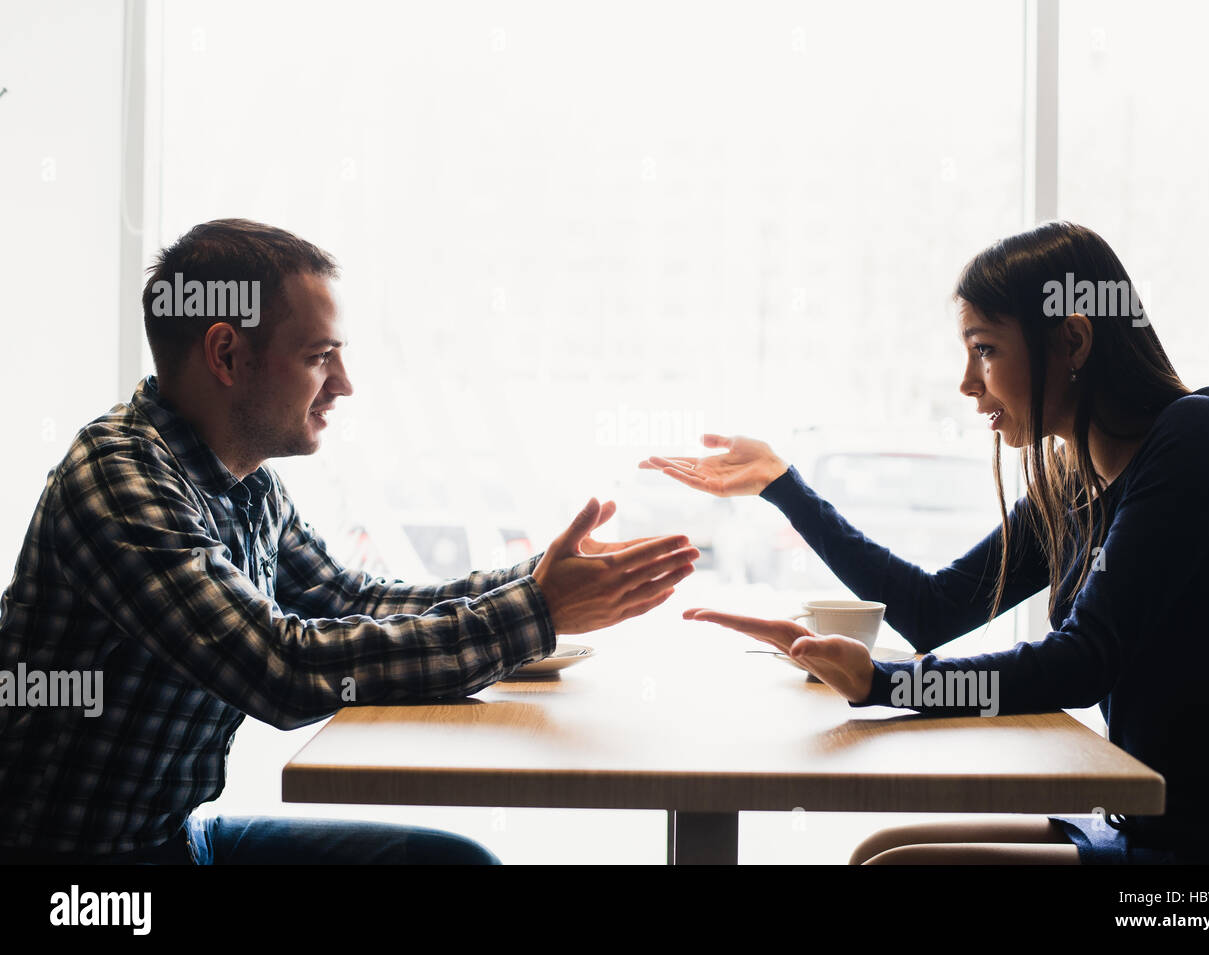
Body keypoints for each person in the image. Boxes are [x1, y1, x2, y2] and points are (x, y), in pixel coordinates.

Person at [0, 218, 699, 865]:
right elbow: (282, 669)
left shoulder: (242, 482)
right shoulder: (117, 481)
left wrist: (538, 581)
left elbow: (351, 599)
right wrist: (538, 612)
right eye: (319, 356)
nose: (344, 383)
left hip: (177, 840)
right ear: (226, 353)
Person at [640, 220, 1209, 865]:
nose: (966, 381)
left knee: (900, 865)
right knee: (885, 851)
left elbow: (1082, 661)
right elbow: (935, 607)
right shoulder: (1072, 485)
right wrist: (784, 485)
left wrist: (883, 683)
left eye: (984, 348)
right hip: (1141, 820)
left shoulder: (1198, 438)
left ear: (1072, 338)